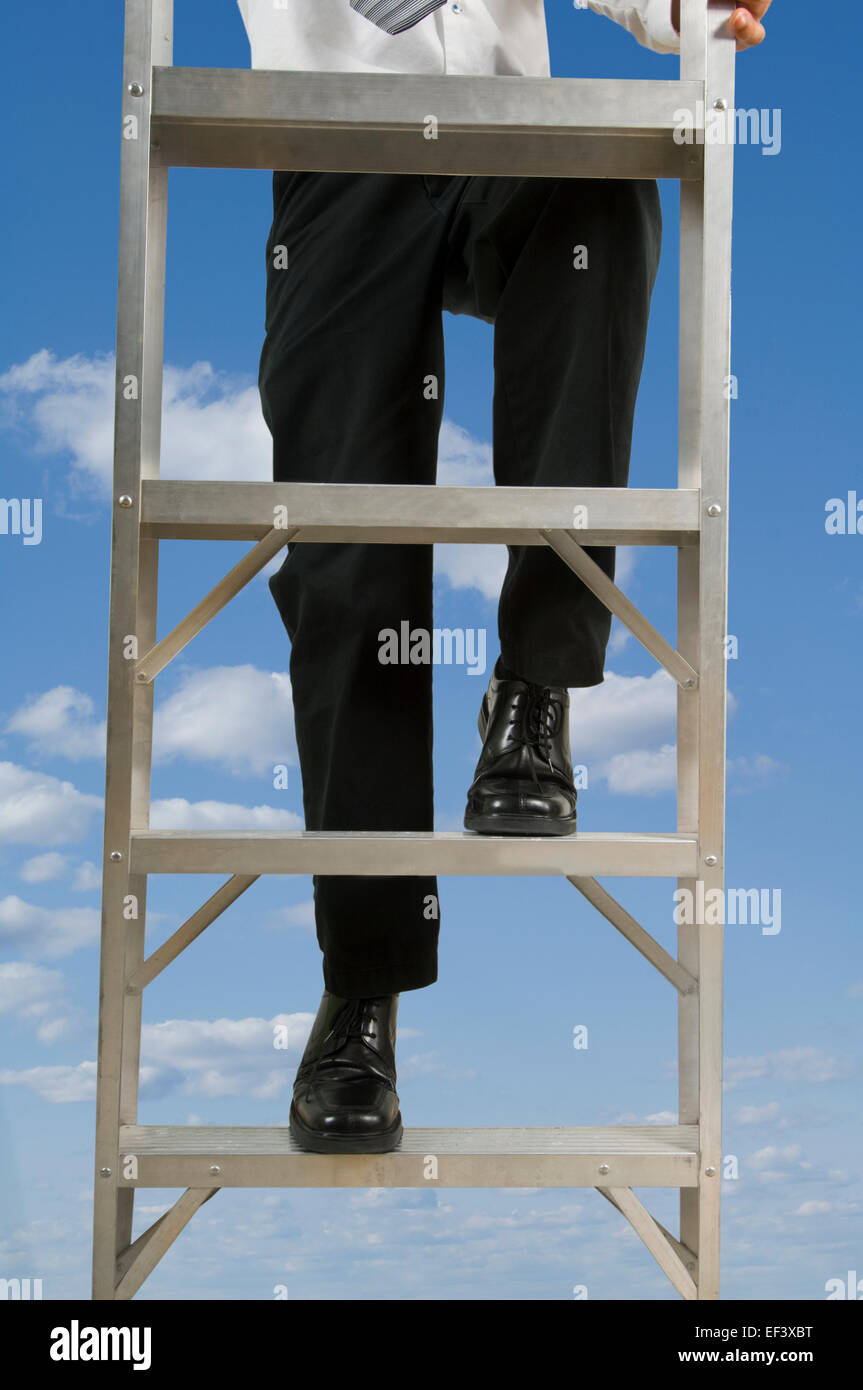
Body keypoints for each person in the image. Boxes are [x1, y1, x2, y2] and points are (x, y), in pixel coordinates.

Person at [235, 0, 772, 1154]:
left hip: (509, 132)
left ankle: (532, 692)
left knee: (606, 182)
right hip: (339, 148)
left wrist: (677, 7)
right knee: (347, 568)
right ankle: (361, 992)